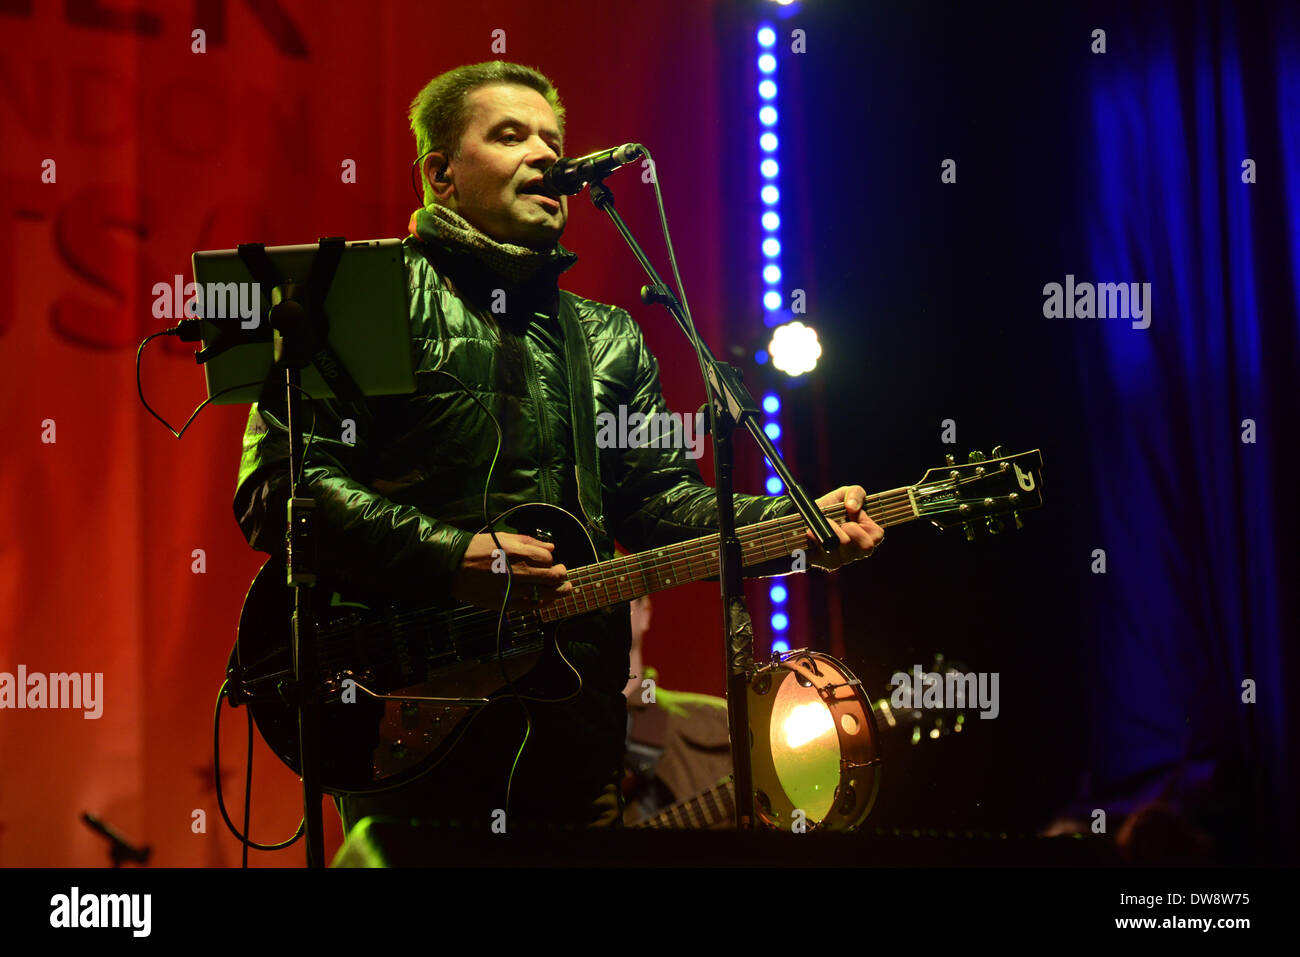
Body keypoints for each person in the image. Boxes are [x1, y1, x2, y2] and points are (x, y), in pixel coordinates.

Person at [233, 60, 882, 836]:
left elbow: (658, 504)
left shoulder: (609, 336)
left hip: (574, 730)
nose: (547, 155)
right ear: (440, 173)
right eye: (510, 135)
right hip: (410, 714)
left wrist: (793, 523)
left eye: (554, 138)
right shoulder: (367, 298)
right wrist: (450, 555)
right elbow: (280, 489)